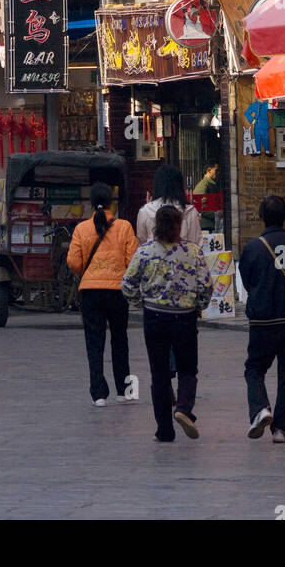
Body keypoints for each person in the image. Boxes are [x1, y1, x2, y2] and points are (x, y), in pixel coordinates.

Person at [122, 204, 211, 442]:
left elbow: (127, 285)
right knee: (188, 369)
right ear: (179, 225)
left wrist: (143, 304)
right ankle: (183, 408)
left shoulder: (145, 251)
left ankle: (164, 430)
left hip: (155, 318)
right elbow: (206, 286)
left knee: (159, 374)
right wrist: (198, 306)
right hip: (185, 317)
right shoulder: (192, 252)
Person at [239, 194, 285, 444]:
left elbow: (247, 282)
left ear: (262, 217)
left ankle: (260, 409)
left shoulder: (252, 248)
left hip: (263, 322)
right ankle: (281, 429)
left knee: (254, 368)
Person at [67, 182, 138, 407]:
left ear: (90, 204)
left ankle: (98, 394)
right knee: (120, 340)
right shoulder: (124, 226)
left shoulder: (81, 229)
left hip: (90, 292)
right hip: (117, 292)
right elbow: (133, 260)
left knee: (94, 343)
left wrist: (85, 273)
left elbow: (73, 262)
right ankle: (124, 391)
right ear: (111, 203)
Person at [136, 165, 202, 246]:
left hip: (154, 256)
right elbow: (196, 243)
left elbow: (142, 242)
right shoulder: (189, 211)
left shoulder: (145, 211)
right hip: (184, 257)